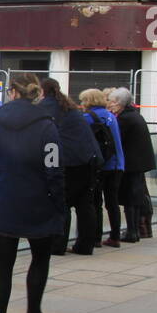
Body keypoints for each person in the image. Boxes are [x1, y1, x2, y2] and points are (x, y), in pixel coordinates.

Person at [0, 73, 66, 313]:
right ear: (35, 93)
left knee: (3, 263)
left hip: (1, 199)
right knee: (40, 258)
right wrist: (59, 204)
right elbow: (54, 168)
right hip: (38, 200)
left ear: (12, 91)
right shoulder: (47, 125)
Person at [40, 78, 101, 255]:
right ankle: (85, 245)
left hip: (66, 162)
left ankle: (57, 245)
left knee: (62, 203)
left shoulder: (45, 108)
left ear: (42, 92)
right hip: (88, 160)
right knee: (85, 205)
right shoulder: (70, 107)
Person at [108, 87, 157, 242]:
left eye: (112, 101)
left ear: (120, 103)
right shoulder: (134, 115)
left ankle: (132, 232)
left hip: (132, 163)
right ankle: (134, 230)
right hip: (139, 162)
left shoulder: (124, 119)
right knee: (134, 197)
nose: (110, 104)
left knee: (130, 198)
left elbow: (116, 140)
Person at [79, 88, 125, 247]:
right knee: (112, 202)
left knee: (95, 202)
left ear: (88, 101)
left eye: (83, 100)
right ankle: (115, 235)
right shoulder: (111, 116)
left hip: (101, 165)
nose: (82, 104)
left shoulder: (88, 118)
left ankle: (95, 237)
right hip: (117, 163)